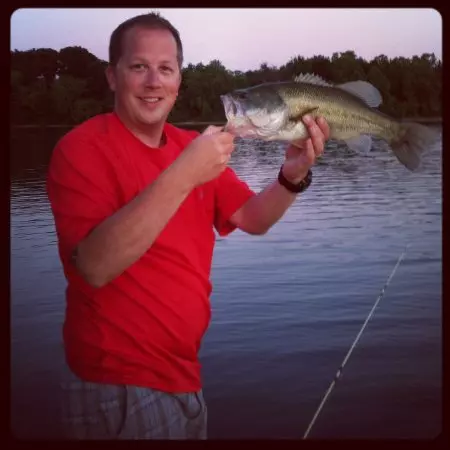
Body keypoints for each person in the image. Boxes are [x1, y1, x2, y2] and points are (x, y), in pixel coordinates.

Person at [47, 12, 330, 440]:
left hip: (186, 378)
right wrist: (184, 174)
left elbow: (252, 219)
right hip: (117, 385)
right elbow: (94, 265)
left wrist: (292, 176)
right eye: (138, 66)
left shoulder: (191, 146)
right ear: (112, 76)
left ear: (179, 79)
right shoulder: (81, 149)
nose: (153, 82)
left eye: (166, 69)